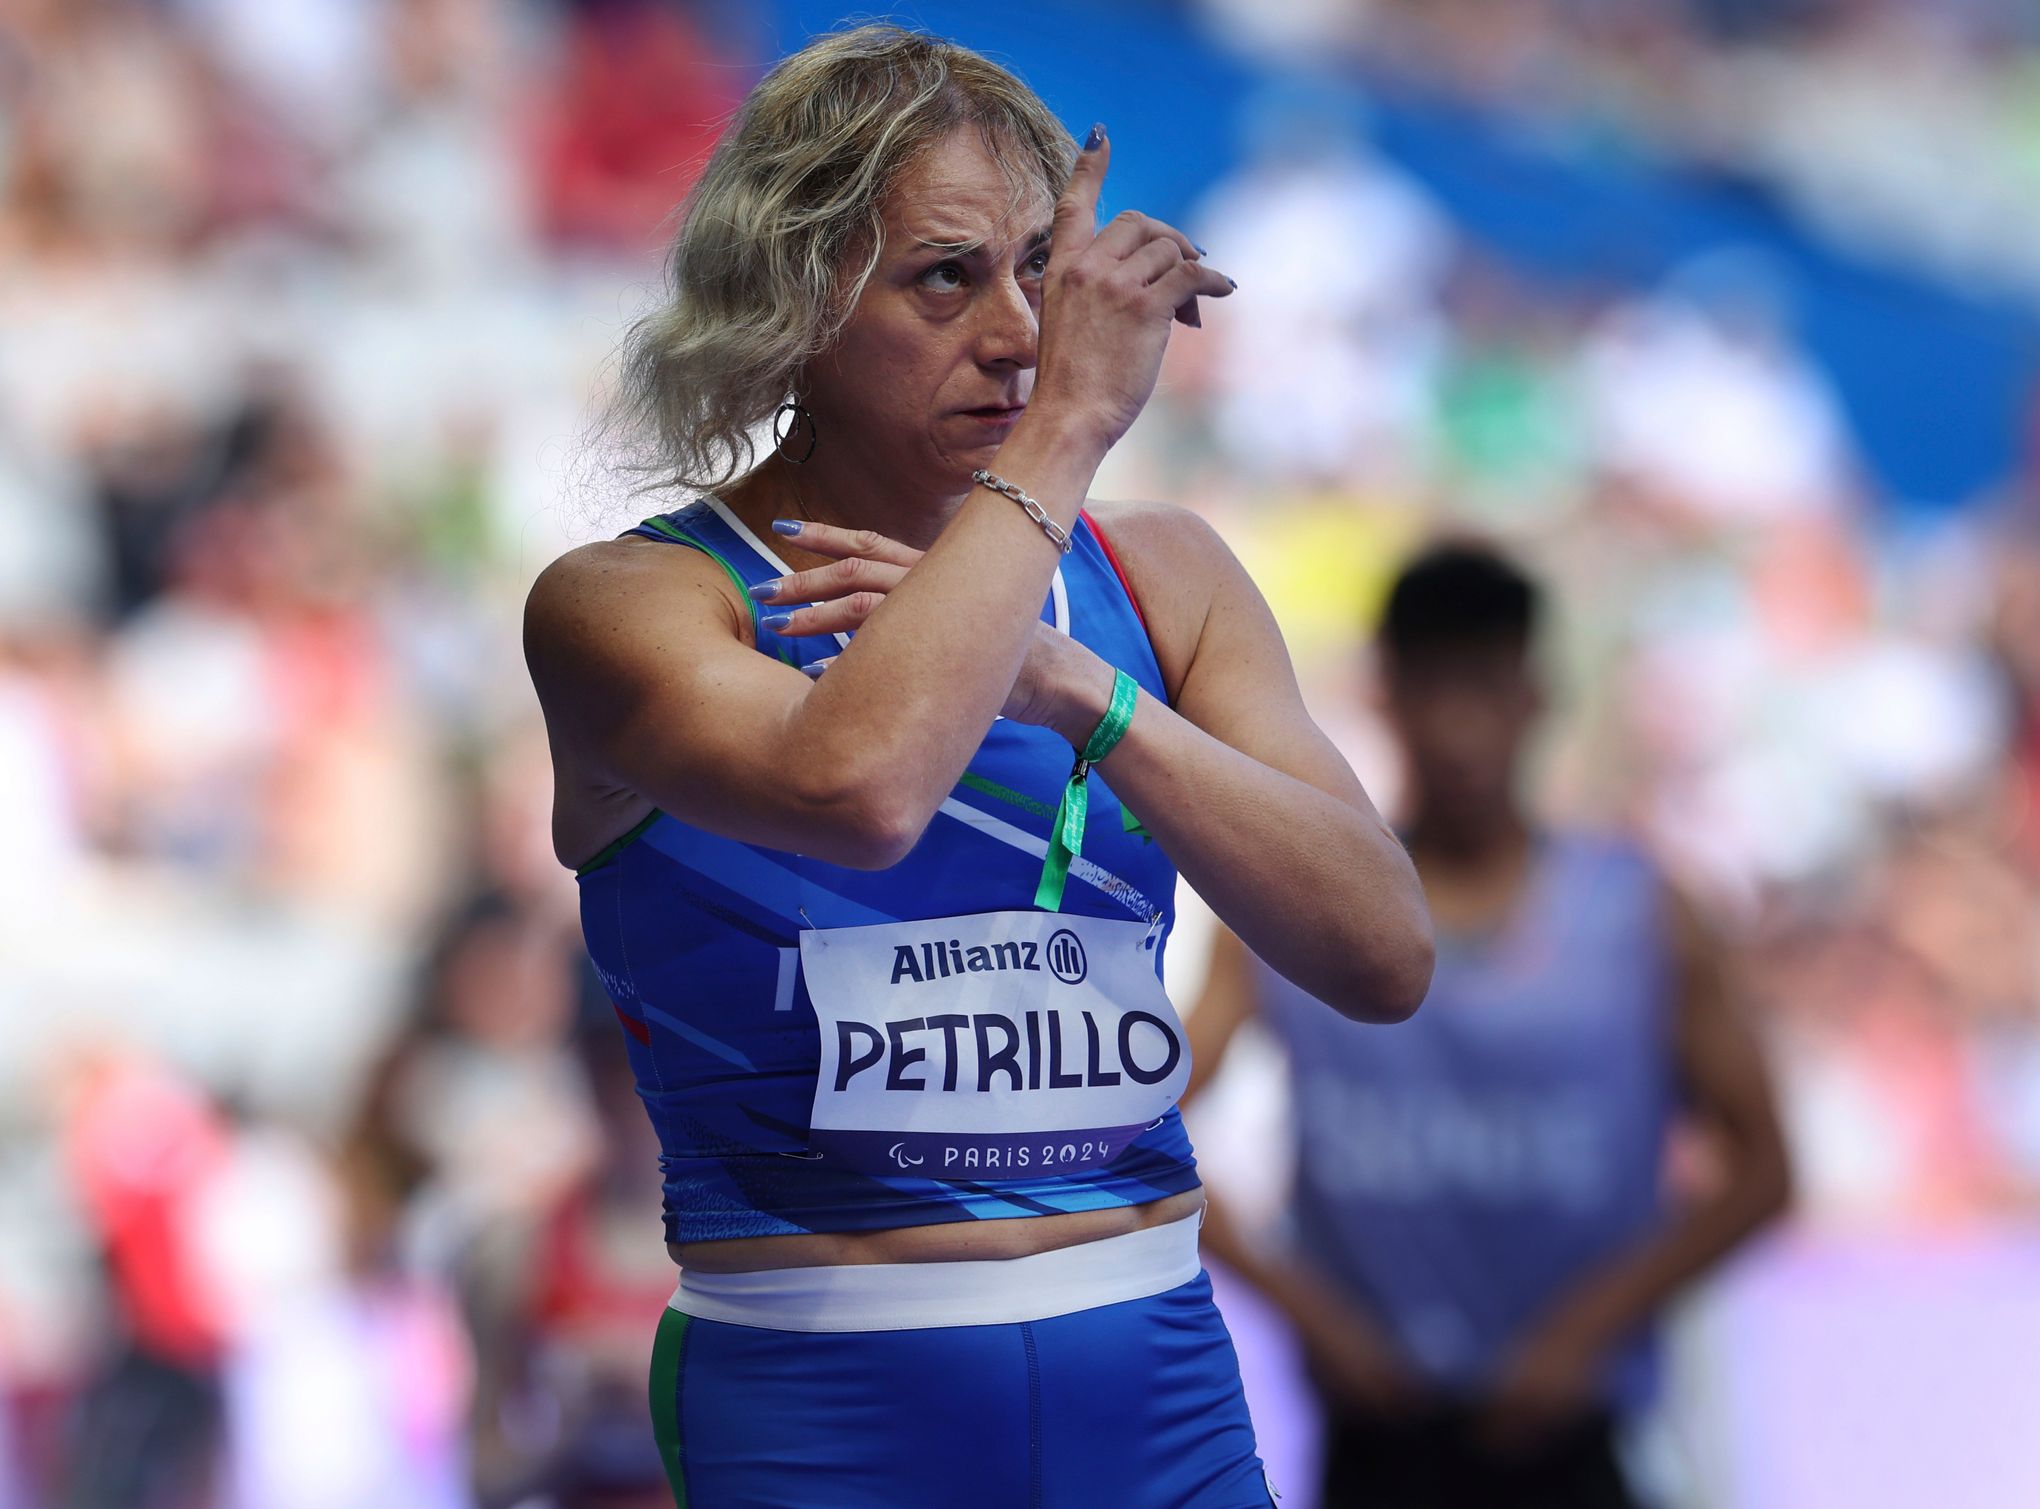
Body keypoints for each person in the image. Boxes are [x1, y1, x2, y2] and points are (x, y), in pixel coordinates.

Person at [521, 24, 1433, 1509]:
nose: (1019, 335)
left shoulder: (1163, 579)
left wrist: (1080, 691)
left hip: (1159, 1384)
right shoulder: (636, 601)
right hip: (826, 1407)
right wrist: (1066, 433)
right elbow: (859, 793)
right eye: (946, 277)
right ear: (796, 296)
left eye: (1039, 272)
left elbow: (1384, 953)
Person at [1185, 541, 1794, 1509]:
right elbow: (1148, 1123)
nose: (1461, 729)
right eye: (1434, 689)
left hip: (1570, 1431)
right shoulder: (1297, 907)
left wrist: (1589, 1327)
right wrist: (1313, 1316)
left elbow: (1764, 1169)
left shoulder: (1642, 916)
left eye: (1486, 689)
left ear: (1534, 698)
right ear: (1387, 698)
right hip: (1380, 1433)